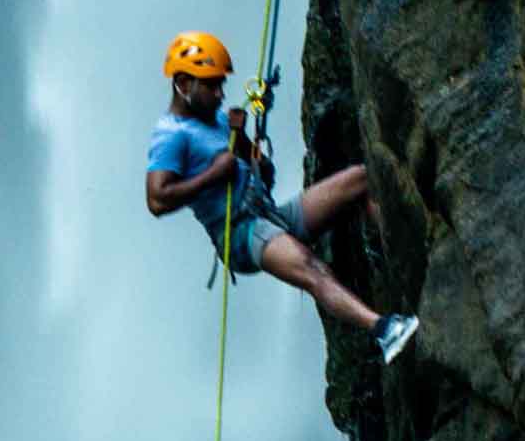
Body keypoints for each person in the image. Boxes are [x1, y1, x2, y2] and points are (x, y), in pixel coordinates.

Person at [144, 31, 416, 364]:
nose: (220, 93)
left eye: (221, 85)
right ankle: (385, 331)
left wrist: (245, 143)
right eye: (212, 85)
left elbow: (262, 169)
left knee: (360, 179)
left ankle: (406, 267)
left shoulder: (218, 120)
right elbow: (156, 200)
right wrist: (212, 175)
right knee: (311, 267)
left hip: (268, 214)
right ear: (184, 84)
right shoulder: (171, 136)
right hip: (240, 234)